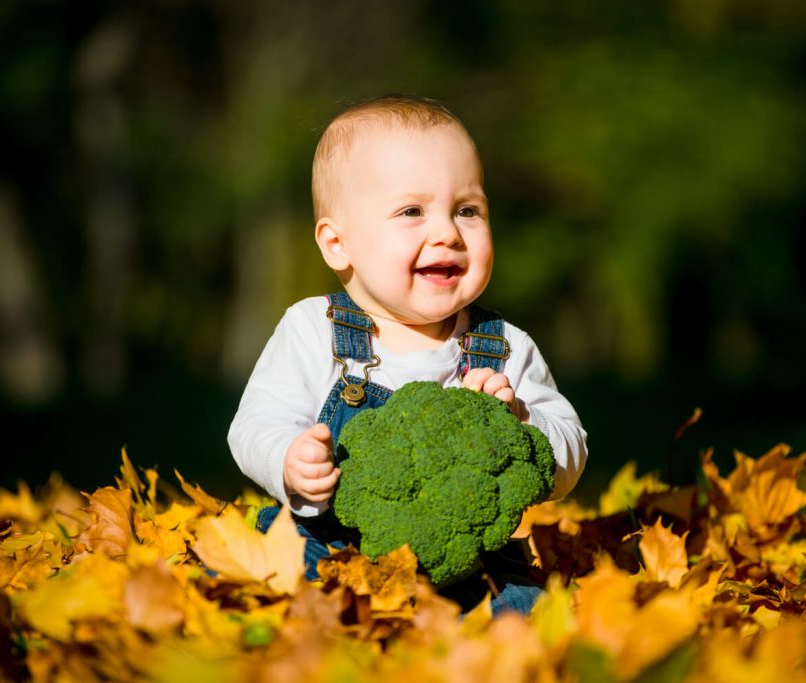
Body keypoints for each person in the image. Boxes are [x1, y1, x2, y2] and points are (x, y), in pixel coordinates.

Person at [228, 93, 588, 615]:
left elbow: (571, 450)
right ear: (337, 245)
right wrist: (288, 460)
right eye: (412, 211)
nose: (447, 233)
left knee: (526, 612)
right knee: (257, 584)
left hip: (465, 565)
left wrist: (522, 426)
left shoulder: (503, 346)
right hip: (328, 550)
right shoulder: (315, 330)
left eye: (467, 210)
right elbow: (254, 423)